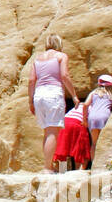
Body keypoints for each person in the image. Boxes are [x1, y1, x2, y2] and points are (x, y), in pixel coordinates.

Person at [26, 33, 77, 172]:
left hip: (39, 94)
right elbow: (65, 75)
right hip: (53, 93)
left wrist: (30, 100)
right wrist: (73, 95)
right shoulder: (61, 56)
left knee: (47, 132)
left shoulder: (37, 59)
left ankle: (48, 165)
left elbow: (31, 80)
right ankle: (47, 168)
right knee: (53, 131)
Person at [82, 74, 112, 154]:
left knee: (94, 143)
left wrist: (84, 120)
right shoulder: (111, 95)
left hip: (92, 117)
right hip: (105, 117)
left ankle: (94, 164)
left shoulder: (93, 93)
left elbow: (86, 105)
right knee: (104, 142)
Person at [54, 98, 90, 170]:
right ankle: (79, 171)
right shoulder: (91, 107)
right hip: (77, 124)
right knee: (81, 149)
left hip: (64, 123)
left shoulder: (77, 106)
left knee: (63, 148)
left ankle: (62, 171)